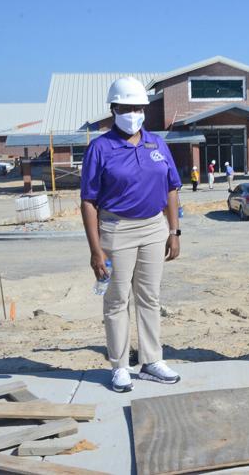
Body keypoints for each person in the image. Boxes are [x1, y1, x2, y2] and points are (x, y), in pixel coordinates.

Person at [80, 77, 183, 393]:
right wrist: (96, 250)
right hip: (116, 230)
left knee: (150, 298)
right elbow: (88, 201)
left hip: (154, 227)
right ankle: (120, 366)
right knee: (117, 301)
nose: (133, 113)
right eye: (126, 108)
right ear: (114, 109)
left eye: (138, 108)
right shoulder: (101, 148)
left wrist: (174, 230)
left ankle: (152, 361)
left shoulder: (156, 143)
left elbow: (171, 187)